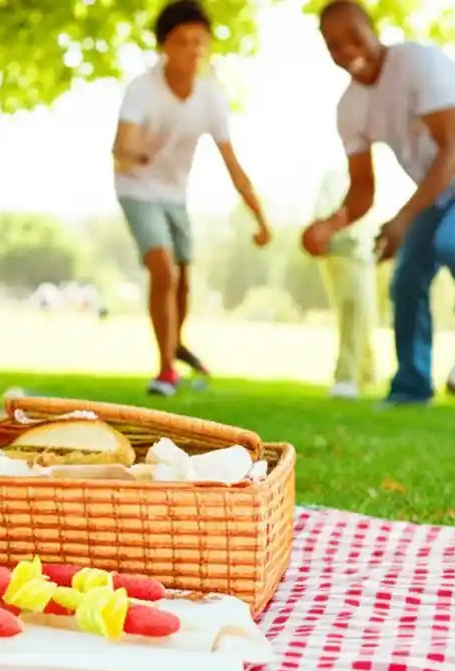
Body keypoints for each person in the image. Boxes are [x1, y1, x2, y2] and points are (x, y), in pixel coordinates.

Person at [303, 0, 455, 405]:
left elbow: (453, 153)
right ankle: (411, 387)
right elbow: (362, 190)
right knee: (407, 278)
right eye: (334, 45)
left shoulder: (419, 63)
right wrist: (330, 225)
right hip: (438, 191)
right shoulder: (350, 108)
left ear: (373, 29)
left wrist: (403, 220)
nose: (347, 50)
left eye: (354, 36)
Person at [113, 0, 270, 397]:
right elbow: (120, 147)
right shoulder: (142, 90)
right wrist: (134, 155)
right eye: (184, 42)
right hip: (136, 188)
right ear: (166, 47)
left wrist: (261, 219)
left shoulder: (210, 97)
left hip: (174, 194)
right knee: (164, 269)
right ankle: (166, 370)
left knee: (182, 278)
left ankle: (174, 344)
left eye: (201, 42)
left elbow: (233, 165)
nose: (194, 50)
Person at [308, 194, 378, 400]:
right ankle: (346, 378)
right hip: (343, 250)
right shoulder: (340, 173)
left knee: (364, 316)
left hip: (365, 252)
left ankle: (365, 374)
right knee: (352, 310)